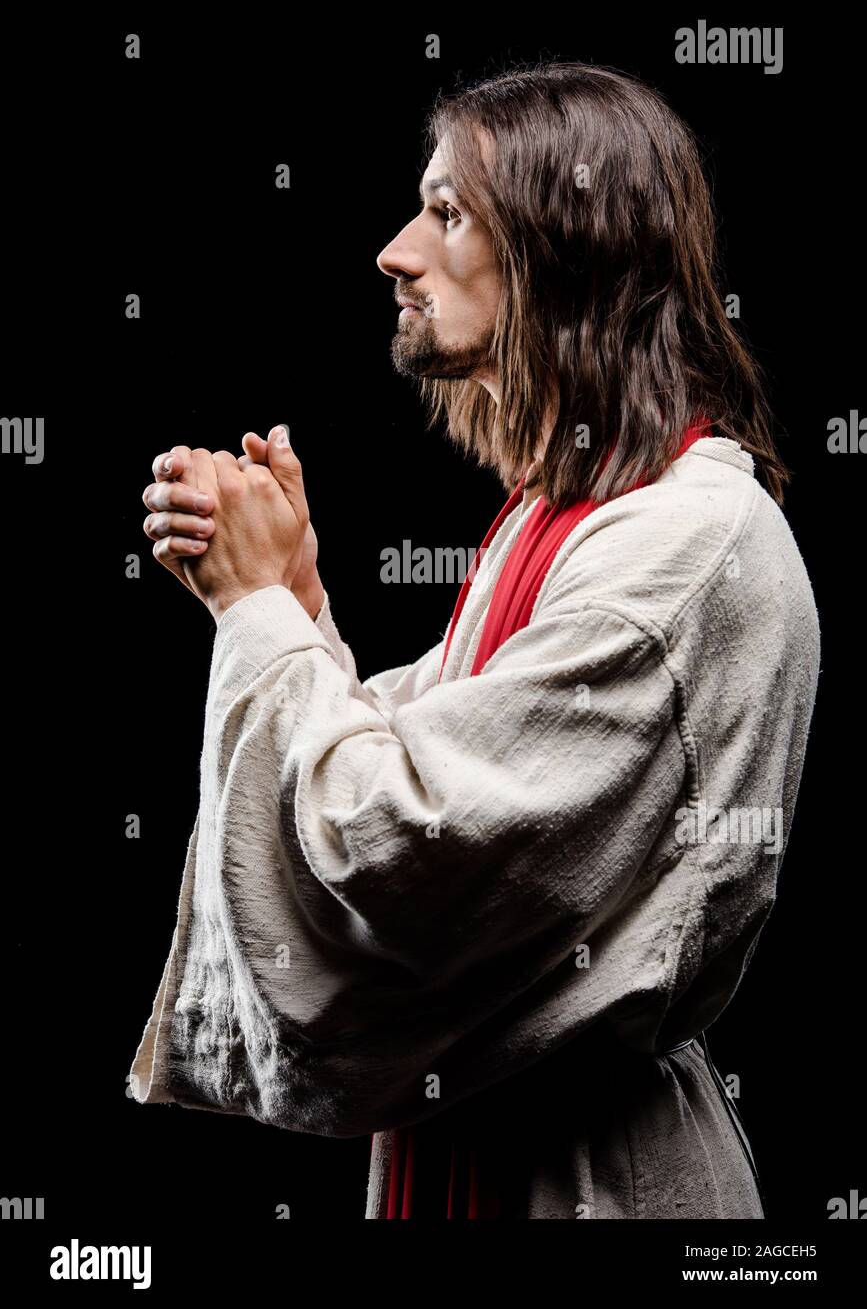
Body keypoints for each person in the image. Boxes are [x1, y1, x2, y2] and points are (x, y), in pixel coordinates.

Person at [127, 62, 820, 1219]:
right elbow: (425, 759)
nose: (395, 250)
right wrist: (298, 604)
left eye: (447, 213)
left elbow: (401, 851)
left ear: (568, 244)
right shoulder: (561, 522)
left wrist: (254, 612)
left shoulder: (684, 543)